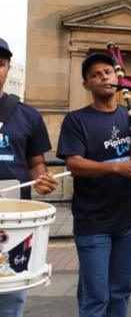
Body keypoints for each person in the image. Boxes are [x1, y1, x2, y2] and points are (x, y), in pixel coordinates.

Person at [57, 52, 131, 317]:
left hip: (128, 220)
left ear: (117, 78)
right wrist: (118, 167)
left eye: (108, 72)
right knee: (96, 297)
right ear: (86, 84)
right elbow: (73, 164)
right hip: (92, 222)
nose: (104, 78)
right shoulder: (77, 120)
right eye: (95, 75)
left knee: (120, 292)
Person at [0, 38, 59, 317]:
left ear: (8, 68)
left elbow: (36, 163)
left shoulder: (28, 115)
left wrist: (43, 180)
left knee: (11, 300)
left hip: (13, 224)